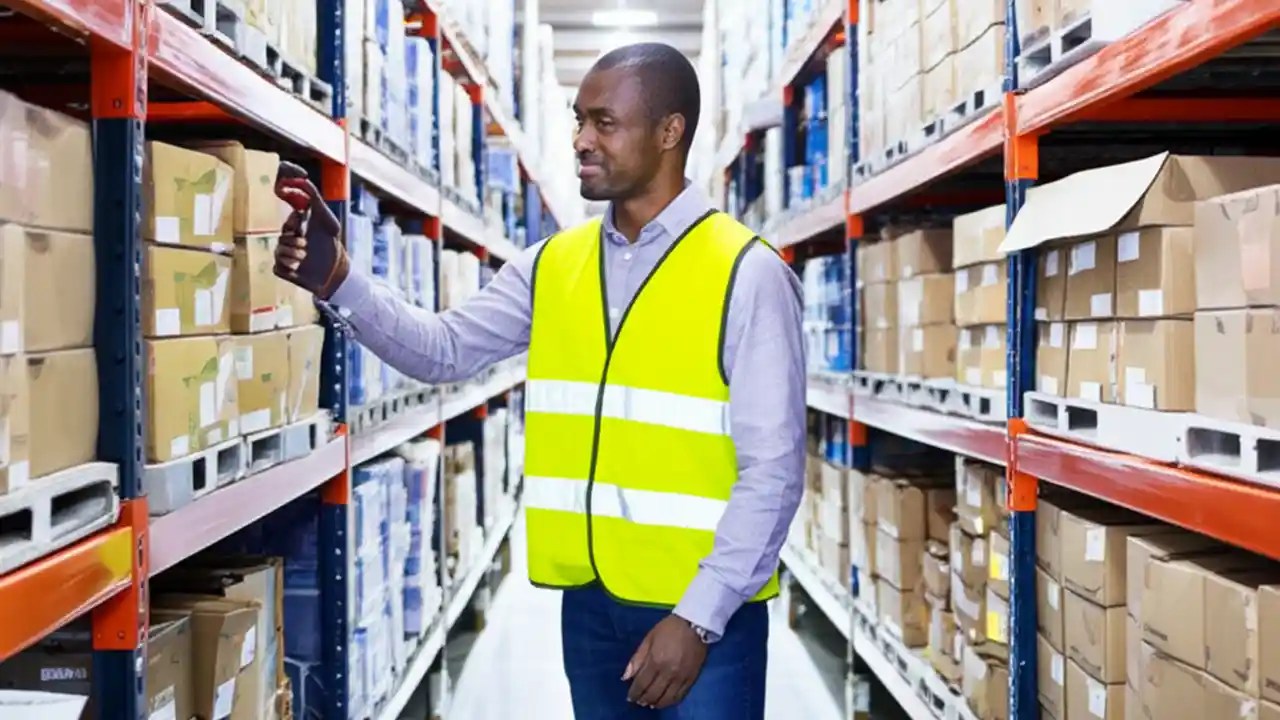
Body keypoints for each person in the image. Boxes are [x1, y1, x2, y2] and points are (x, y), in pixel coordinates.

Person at [274, 42, 806, 720]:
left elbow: (776, 471)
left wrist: (698, 618)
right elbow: (444, 350)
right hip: (588, 607)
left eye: (603, 123)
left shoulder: (745, 271)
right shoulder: (553, 264)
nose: (581, 139)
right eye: (578, 119)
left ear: (670, 132)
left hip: (705, 619)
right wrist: (340, 279)